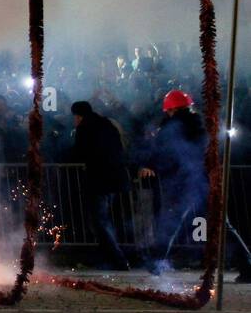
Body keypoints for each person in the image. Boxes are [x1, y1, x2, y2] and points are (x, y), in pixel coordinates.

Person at [139, 89, 251, 280]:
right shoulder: (202, 124)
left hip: (185, 182)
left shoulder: (173, 127)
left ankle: (157, 261)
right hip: (206, 180)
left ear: (172, 109)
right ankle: (246, 264)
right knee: (220, 224)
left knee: (171, 221)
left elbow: (162, 151)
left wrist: (149, 164)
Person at [69, 100, 130, 269]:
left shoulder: (85, 128)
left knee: (99, 221)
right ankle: (109, 257)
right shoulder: (107, 124)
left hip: (99, 179)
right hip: (116, 178)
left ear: (78, 116)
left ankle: (118, 259)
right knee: (105, 220)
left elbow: (80, 153)